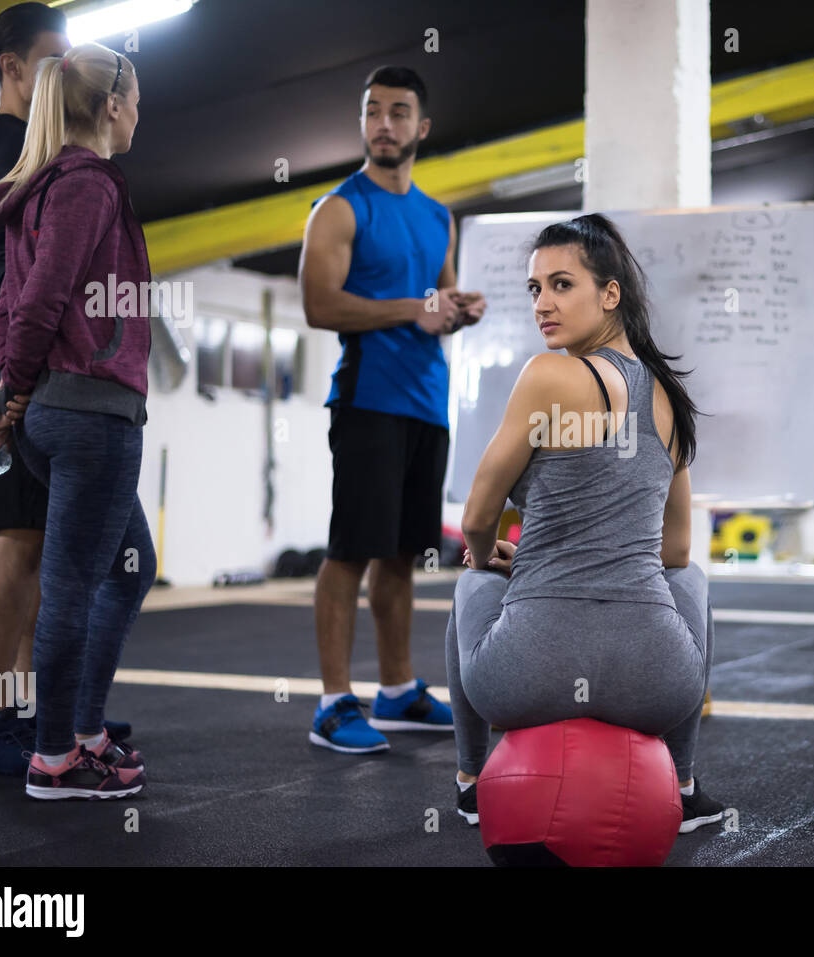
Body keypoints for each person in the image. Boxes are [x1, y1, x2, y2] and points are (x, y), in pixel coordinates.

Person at [446, 213, 724, 833]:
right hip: (654, 682)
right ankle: (682, 785)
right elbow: (674, 551)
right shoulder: (670, 399)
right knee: (694, 582)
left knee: (473, 581)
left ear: (610, 293)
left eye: (561, 285)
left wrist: (489, 553)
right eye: (535, 288)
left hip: (524, 679)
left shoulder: (547, 375)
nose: (543, 303)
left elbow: (475, 517)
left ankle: (470, 783)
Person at [0, 41, 155, 798]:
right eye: (137, 100)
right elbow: (41, 298)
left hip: (55, 410)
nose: (140, 113)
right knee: (78, 580)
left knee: (123, 565)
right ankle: (56, 754)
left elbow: (14, 302)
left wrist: (15, 396)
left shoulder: (31, 187)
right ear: (111, 107)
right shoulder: (88, 184)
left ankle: (82, 727)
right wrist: (14, 385)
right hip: (90, 409)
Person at [299, 66, 486, 753]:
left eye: (399, 112)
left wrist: (459, 309)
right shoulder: (341, 208)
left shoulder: (440, 216)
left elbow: (439, 302)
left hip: (426, 404)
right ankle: (330, 703)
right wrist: (415, 308)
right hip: (367, 399)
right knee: (351, 551)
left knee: (404, 554)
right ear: (363, 123)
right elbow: (319, 305)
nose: (384, 123)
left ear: (421, 128)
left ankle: (399, 690)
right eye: (373, 111)